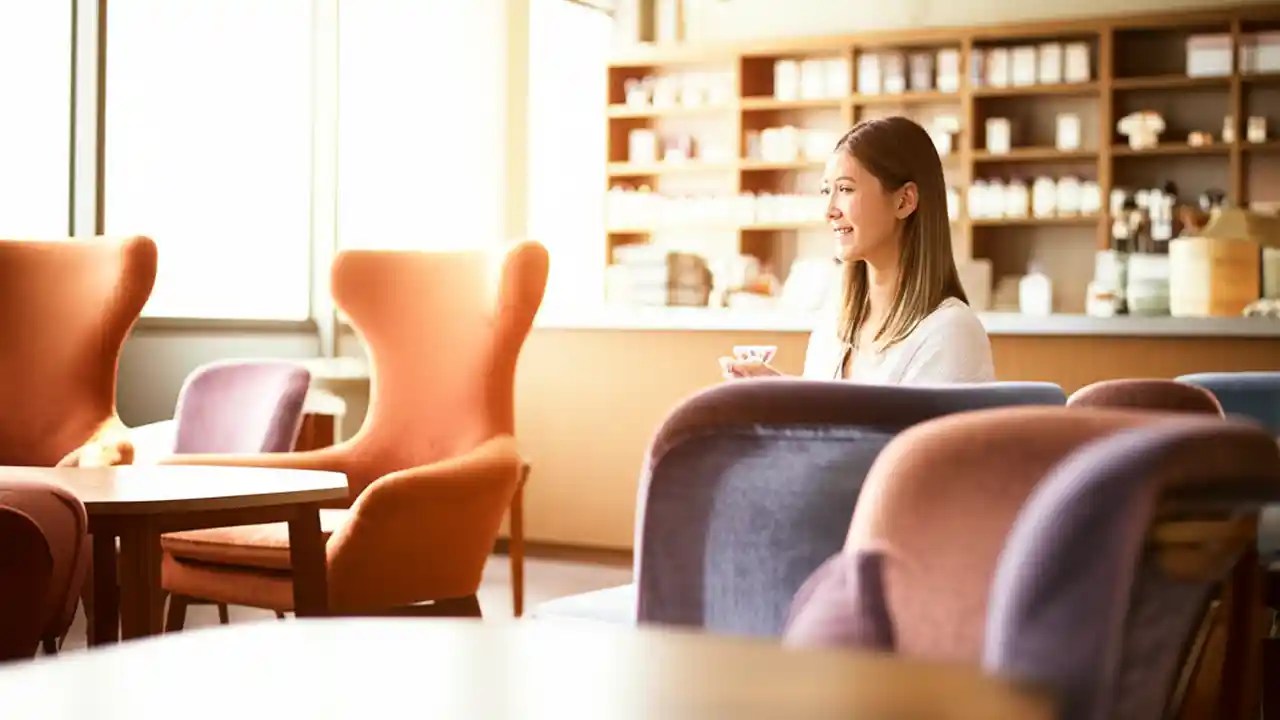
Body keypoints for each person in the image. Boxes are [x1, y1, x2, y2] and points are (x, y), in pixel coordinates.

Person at [720, 116, 994, 384]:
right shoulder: (836, 321)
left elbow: (896, 418)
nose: (829, 211)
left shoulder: (950, 331)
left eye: (845, 189)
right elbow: (826, 408)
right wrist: (777, 391)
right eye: (826, 191)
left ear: (904, 201)